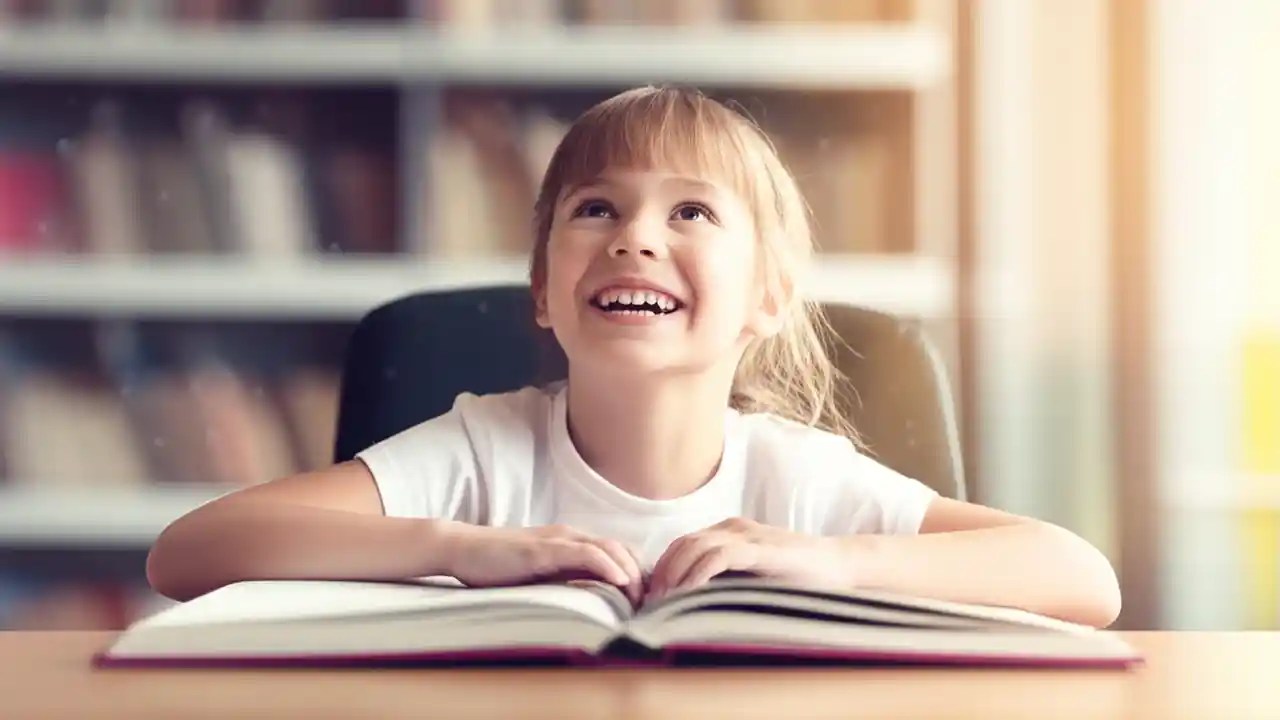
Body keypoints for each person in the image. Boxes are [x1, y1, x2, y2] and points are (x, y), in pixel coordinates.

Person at [146, 86, 1121, 628]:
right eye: (594, 209)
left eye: (689, 210)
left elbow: (1081, 579)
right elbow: (187, 554)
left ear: (767, 298)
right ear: (541, 288)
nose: (634, 239)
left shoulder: (798, 479)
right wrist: (461, 551)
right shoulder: (480, 453)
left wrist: (832, 562)